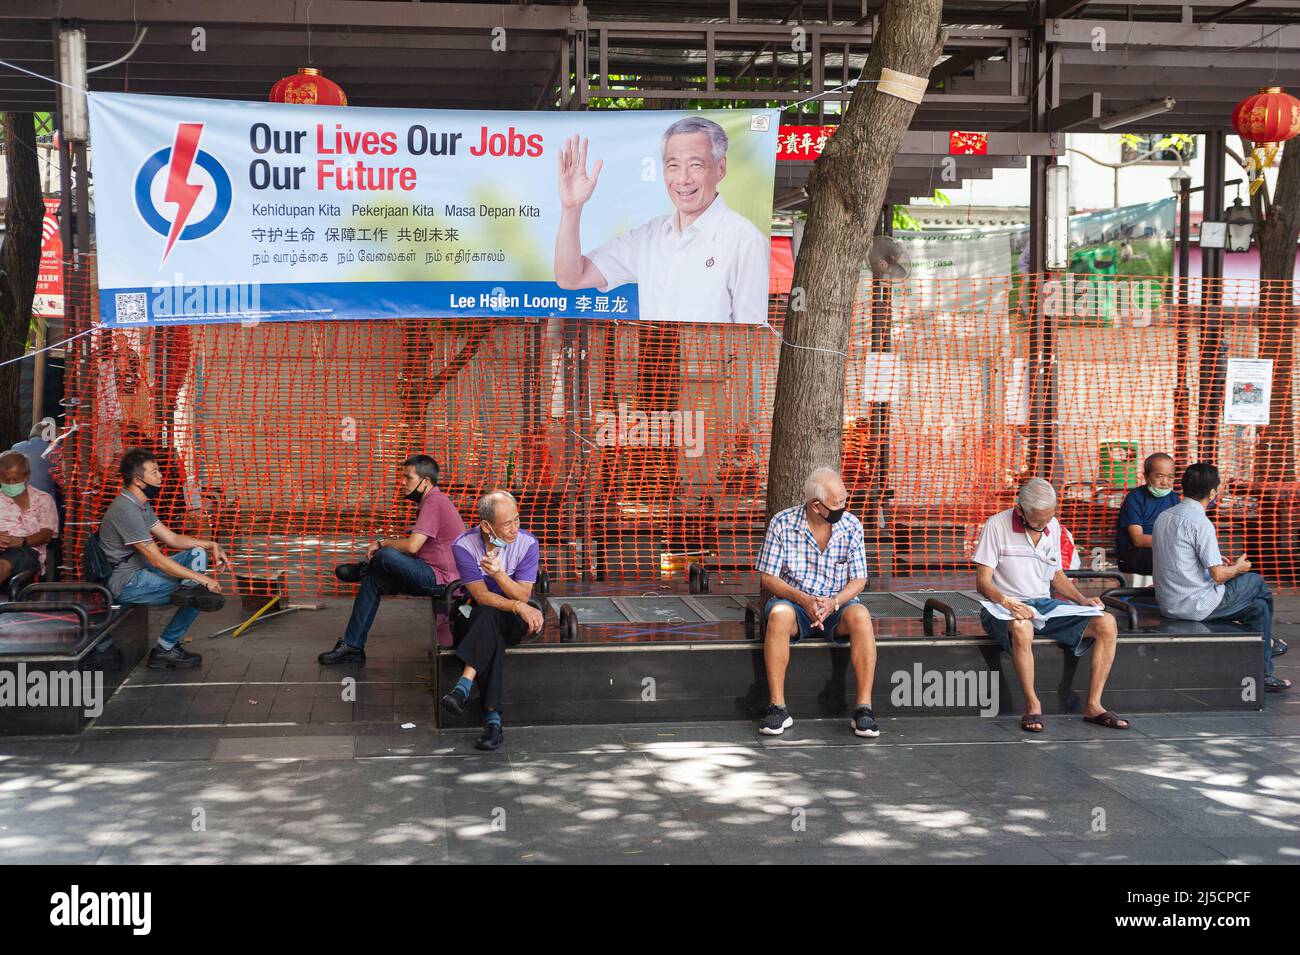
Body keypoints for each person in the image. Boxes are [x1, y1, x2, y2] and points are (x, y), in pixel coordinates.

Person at [553, 116, 769, 324]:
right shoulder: (649, 237)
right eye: (673, 165)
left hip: (711, 363)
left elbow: (753, 339)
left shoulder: (745, 241)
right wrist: (571, 208)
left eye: (696, 165)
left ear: (720, 168)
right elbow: (571, 278)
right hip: (655, 362)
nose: (683, 179)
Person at [974, 478, 1129, 733]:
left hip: (1043, 604)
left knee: (1106, 623)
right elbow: (983, 583)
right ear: (1020, 510)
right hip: (1001, 606)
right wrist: (1008, 602)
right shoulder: (996, 525)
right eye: (1038, 520)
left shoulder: (1053, 526)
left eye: (1049, 518)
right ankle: (1033, 705)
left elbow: (1055, 575)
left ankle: (1094, 705)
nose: (1045, 524)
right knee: (1023, 627)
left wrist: (1082, 600)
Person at [753, 466, 878, 738]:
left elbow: (859, 580)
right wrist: (803, 599)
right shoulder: (782, 523)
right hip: (795, 602)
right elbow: (768, 578)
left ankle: (864, 709)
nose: (843, 507)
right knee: (778, 616)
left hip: (837, 604)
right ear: (816, 506)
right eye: (837, 503)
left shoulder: (851, 526)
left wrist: (834, 602)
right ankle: (777, 707)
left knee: (861, 616)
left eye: (845, 500)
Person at [1152, 462, 1291, 693]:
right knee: (1256, 582)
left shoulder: (1164, 517)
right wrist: (1238, 568)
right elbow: (1218, 575)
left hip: (1169, 602)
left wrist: (1217, 564)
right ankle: (1266, 647)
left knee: (1258, 608)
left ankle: (1264, 665)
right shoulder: (1201, 523)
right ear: (1213, 493)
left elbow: (1184, 560)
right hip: (1196, 604)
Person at [320, 455, 467, 664]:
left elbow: (413, 546)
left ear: (425, 481)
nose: (402, 483)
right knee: (374, 581)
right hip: (429, 572)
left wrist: (381, 543)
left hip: (443, 580)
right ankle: (353, 646)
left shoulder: (434, 501)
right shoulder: (431, 500)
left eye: (408, 478)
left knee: (386, 554)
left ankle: (364, 570)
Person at [97, 449, 230, 670]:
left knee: (198, 554)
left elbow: (171, 538)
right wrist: (201, 579)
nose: (161, 476)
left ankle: (187, 590)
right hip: (127, 581)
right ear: (139, 481)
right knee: (199, 594)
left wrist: (210, 544)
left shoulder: (139, 503)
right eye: (155, 471)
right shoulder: (126, 509)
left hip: (142, 569)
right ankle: (165, 649)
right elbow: (157, 560)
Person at [439, 490, 543, 751]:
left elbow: (523, 593)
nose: (515, 528)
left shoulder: (528, 543)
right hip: (475, 613)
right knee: (489, 622)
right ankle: (493, 721)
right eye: (507, 524)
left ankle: (464, 685)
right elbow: (481, 596)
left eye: (517, 520)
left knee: (493, 620)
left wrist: (499, 575)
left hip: (514, 620)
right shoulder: (463, 546)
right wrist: (519, 605)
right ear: (486, 526)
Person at [0, 451, 58, 591]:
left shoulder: (43, 499)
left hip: (27, 552)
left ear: (27, 476)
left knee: (4, 564)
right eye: (5, 480)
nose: (10, 483)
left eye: (15, 479)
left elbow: (47, 534)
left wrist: (21, 541)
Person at [1115, 452, 1179, 578]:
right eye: (1159, 476)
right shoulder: (1135, 498)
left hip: (1165, 550)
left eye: (1170, 477)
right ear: (1146, 476)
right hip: (1134, 555)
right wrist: (1176, 542)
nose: (1165, 482)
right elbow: (1138, 540)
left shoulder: (1174, 499)